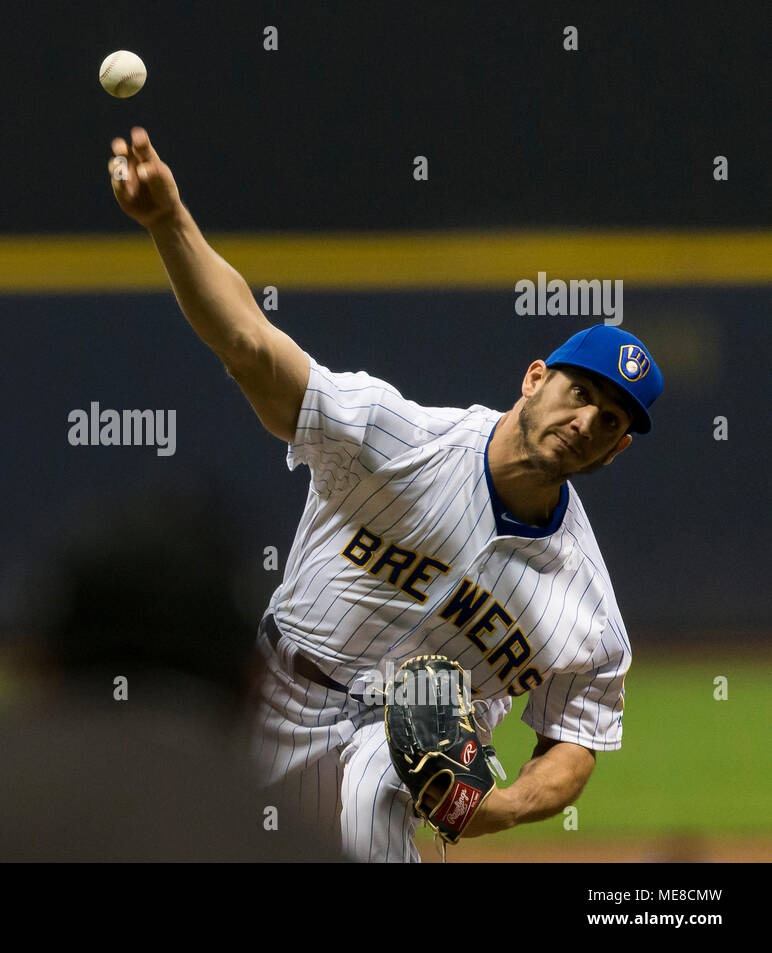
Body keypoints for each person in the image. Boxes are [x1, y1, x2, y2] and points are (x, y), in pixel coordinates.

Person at [107, 126, 662, 862]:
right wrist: (169, 221)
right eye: (580, 390)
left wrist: (500, 805)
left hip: (404, 738)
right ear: (535, 378)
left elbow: (575, 740)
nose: (586, 417)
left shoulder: (585, 606)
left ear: (618, 446)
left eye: (610, 417)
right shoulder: (392, 437)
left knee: (376, 796)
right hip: (276, 695)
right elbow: (249, 345)